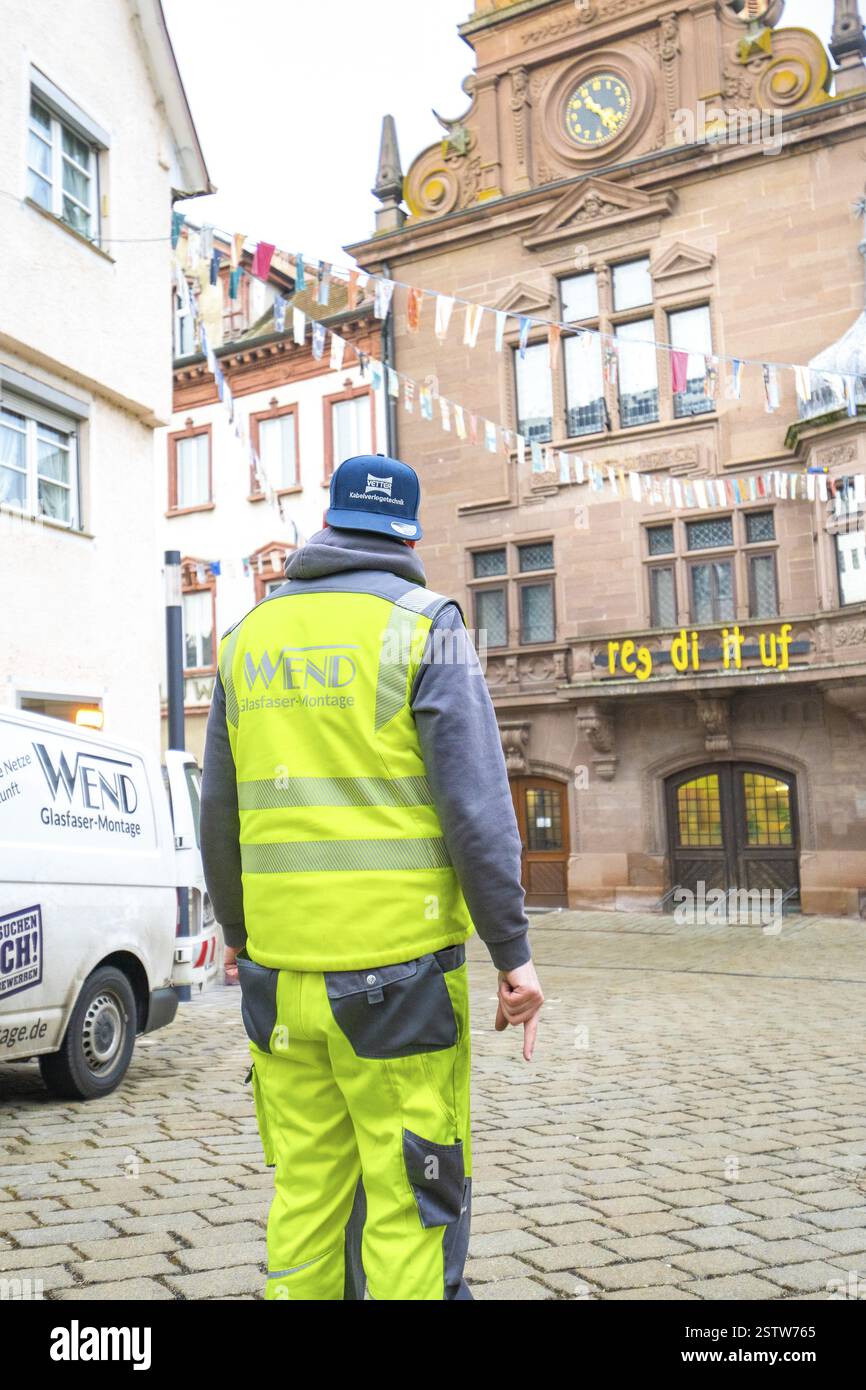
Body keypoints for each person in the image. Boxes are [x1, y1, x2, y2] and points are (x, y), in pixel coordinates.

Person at [201, 452, 544, 1301]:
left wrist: (239, 935)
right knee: (410, 1202)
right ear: (408, 535)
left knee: (309, 1196)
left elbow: (219, 814)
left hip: (279, 980)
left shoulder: (246, 639)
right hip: (400, 985)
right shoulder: (428, 625)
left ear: (329, 523)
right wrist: (514, 953)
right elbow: (476, 807)